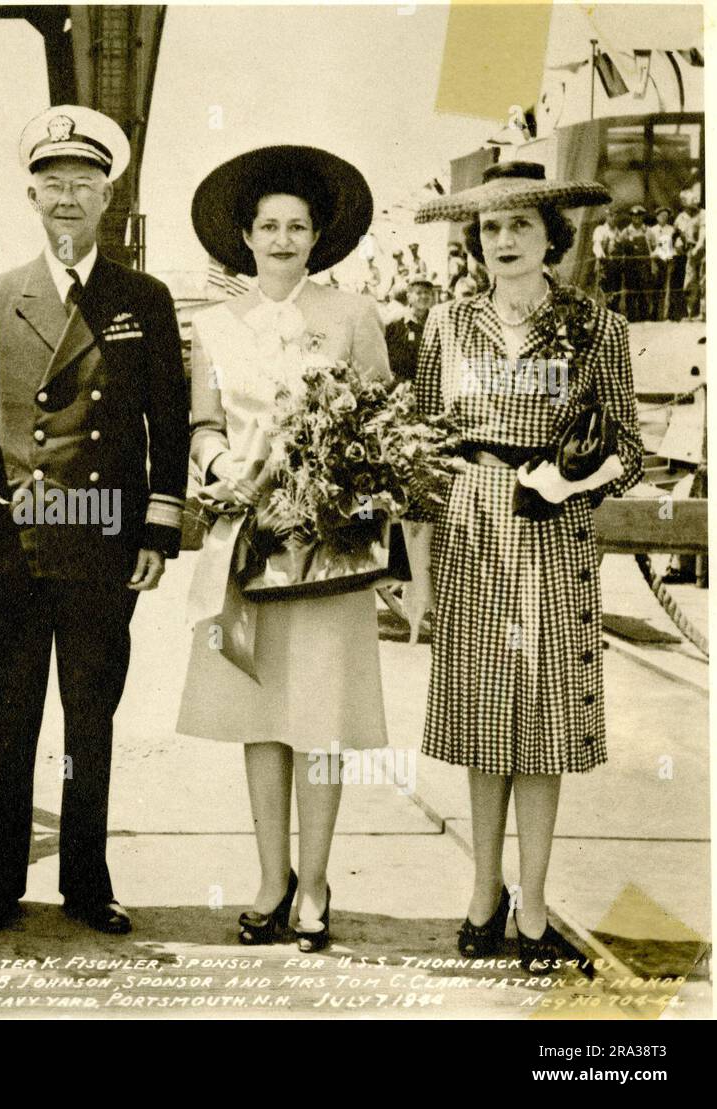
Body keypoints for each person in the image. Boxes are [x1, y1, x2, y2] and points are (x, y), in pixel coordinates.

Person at [0, 105, 188, 935]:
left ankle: (87, 880)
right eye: (53, 183)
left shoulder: (144, 298)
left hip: (102, 540)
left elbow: (171, 419)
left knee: (91, 715)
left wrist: (160, 528)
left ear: (107, 196)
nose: (68, 197)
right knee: (9, 712)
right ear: (31, 194)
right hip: (16, 539)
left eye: (84, 182)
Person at [414, 162, 643, 972]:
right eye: (488, 227)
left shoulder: (597, 326)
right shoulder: (446, 321)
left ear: (553, 235)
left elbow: (632, 452)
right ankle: (485, 888)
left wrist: (570, 476)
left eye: (519, 225)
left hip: (553, 527)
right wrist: (417, 564)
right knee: (484, 720)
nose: (501, 240)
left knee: (542, 724)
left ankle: (537, 899)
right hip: (472, 524)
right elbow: (422, 443)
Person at [180, 145, 391, 950]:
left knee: (321, 717)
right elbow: (202, 426)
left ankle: (314, 883)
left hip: (327, 545)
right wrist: (220, 462)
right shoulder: (213, 323)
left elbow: (379, 423)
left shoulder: (353, 315)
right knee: (260, 713)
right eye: (266, 225)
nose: (280, 238)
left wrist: (336, 472)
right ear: (244, 235)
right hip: (247, 540)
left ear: (317, 237)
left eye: (296, 225)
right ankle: (270, 879)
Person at [386, 275, 436, 382]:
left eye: (427, 292)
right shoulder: (396, 320)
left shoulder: (437, 321)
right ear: (408, 297)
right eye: (418, 293)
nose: (424, 296)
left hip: (427, 384)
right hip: (399, 384)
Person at [613, 205, 651, 321]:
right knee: (630, 292)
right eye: (634, 216)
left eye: (639, 216)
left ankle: (644, 316)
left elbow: (655, 247)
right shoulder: (626, 231)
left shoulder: (648, 231)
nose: (637, 219)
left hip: (644, 265)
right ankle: (632, 317)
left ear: (642, 217)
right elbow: (618, 247)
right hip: (630, 266)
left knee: (644, 291)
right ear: (631, 217)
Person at [648, 206, 685, 321]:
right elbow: (650, 246)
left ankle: (668, 314)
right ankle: (655, 314)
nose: (663, 218)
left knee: (669, 287)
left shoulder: (672, 229)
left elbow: (677, 245)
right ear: (657, 217)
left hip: (669, 260)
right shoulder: (652, 230)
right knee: (656, 288)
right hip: (656, 260)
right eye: (661, 216)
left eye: (666, 216)